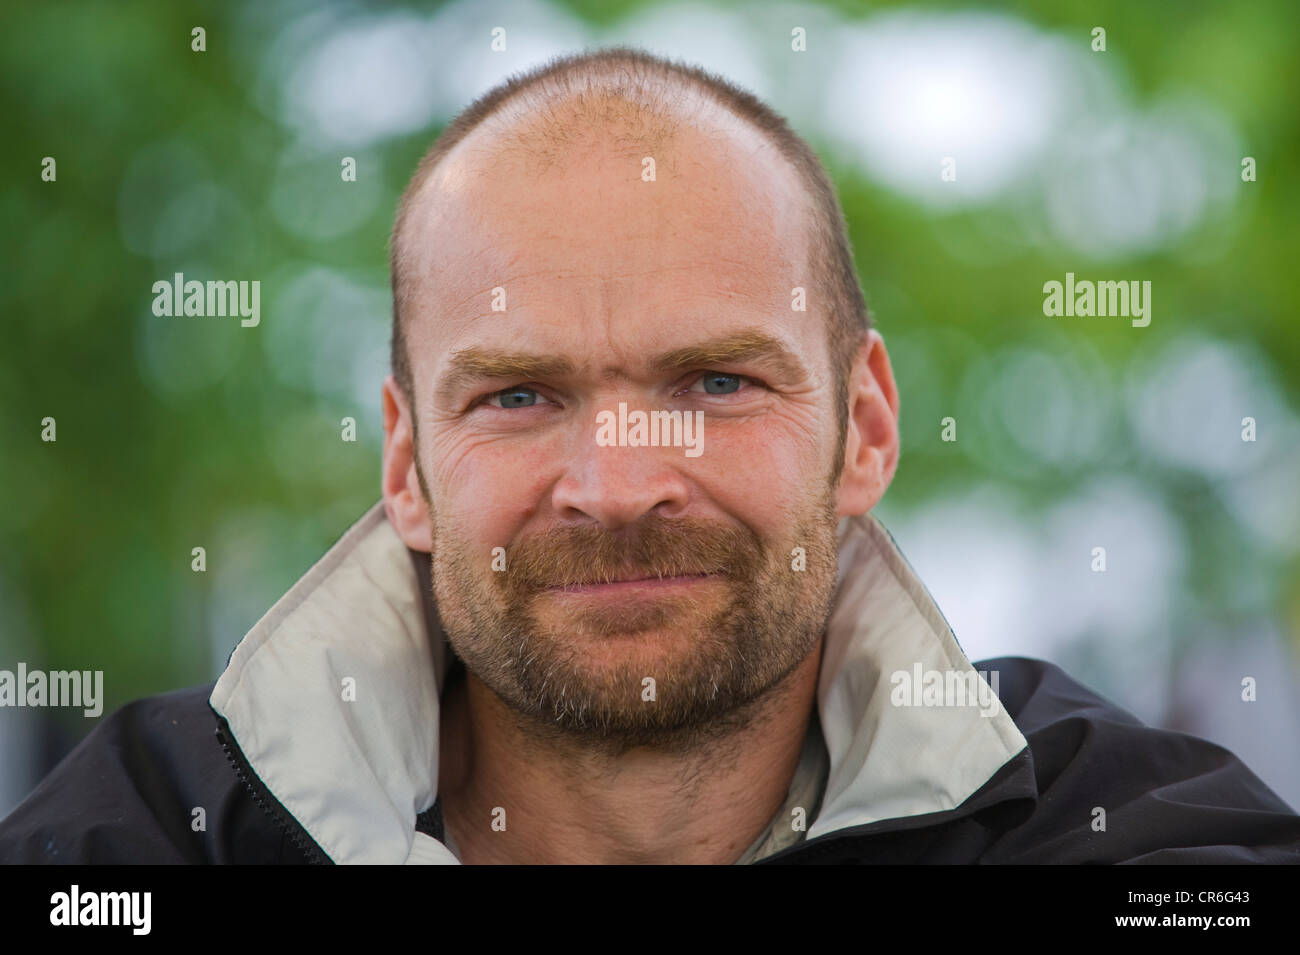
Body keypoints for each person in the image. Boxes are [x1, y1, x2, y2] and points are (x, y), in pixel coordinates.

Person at [2, 47, 1297, 865]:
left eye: (717, 382)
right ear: (405, 466)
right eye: (517, 396)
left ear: (871, 427)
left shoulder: (1145, 846)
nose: (618, 487)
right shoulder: (121, 851)